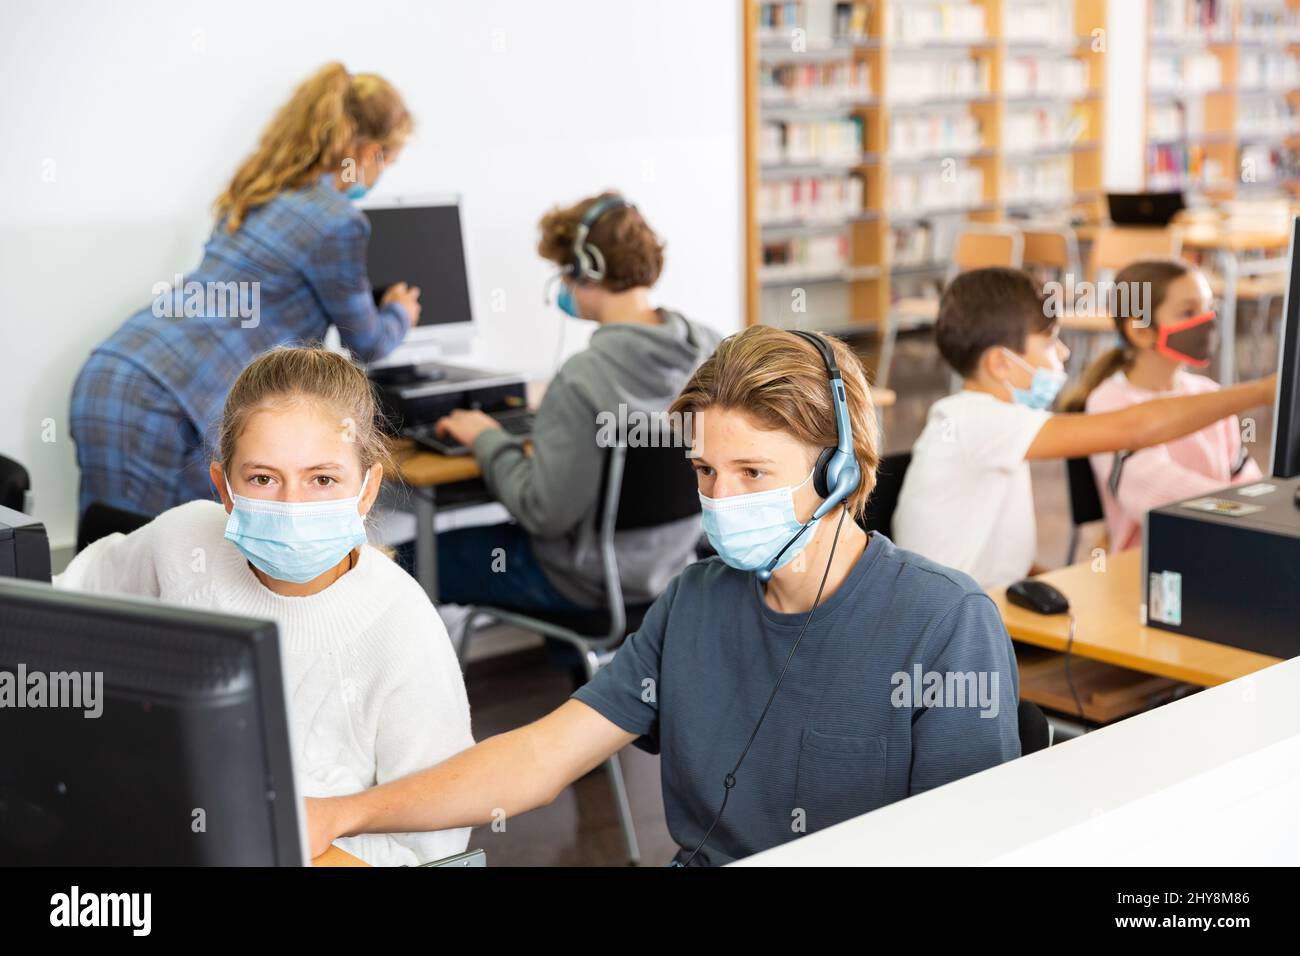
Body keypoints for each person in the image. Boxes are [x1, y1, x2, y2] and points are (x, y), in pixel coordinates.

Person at [307, 326, 1021, 867]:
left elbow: (969, 848)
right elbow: (537, 759)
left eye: (752, 471)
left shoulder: (944, 624)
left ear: (838, 471)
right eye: (706, 470)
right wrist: (344, 814)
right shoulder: (696, 601)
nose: (720, 497)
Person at [55, 346, 472, 866]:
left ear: (367, 490)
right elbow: (54, 609)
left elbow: (434, 847)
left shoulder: (403, 630)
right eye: (262, 479)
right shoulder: (184, 542)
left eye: (322, 479)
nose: (292, 506)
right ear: (224, 488)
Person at [69, 62, 422, 521]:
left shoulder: (256, 192)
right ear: (371, 152)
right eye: (387, 160)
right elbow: (367, 341)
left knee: (112, 563)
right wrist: (399, 313)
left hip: (113, 370)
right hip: (166, 401)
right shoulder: (338, 220)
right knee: (161, 571)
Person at [426, 192, 721, 617]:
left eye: (565, 271)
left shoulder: (581, 380)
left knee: (409, 557)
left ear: (588, 272)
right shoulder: (714, 351)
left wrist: (489, 439)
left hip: (586, 580)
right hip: (676, 566)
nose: (563, 284)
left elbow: (543, 513)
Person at [893, 267, 1276, 589]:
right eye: (1050, 341)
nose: (1064, 353)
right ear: (1000, 363)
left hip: (979, 608)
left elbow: (1002, 562)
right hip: (948, 630)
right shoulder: (973, 419)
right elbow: (1134, 429)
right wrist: (1262, 391)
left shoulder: (998, 424)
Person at [1060, 258, 1262, 550]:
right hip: (1148, 566)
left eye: (1209, 307)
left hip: (1223, 547)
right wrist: (1244, 510)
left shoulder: (1209, 394)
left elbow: (1249, 482)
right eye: (1189, 311)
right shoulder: (1109, 403)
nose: (1207, 321)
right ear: (1141, 330)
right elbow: (1162, 496)